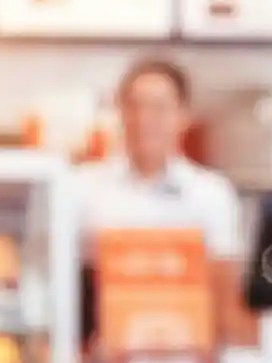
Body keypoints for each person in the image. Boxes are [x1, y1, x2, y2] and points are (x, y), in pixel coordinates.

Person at [75, 58, 241, 346]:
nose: (144, 119)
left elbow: (225, 295)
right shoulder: (82, 188)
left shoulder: (212, 193)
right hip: (104, 360)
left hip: (187, 358)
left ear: (183, 116)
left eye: (159, 108)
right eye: (134, 106)